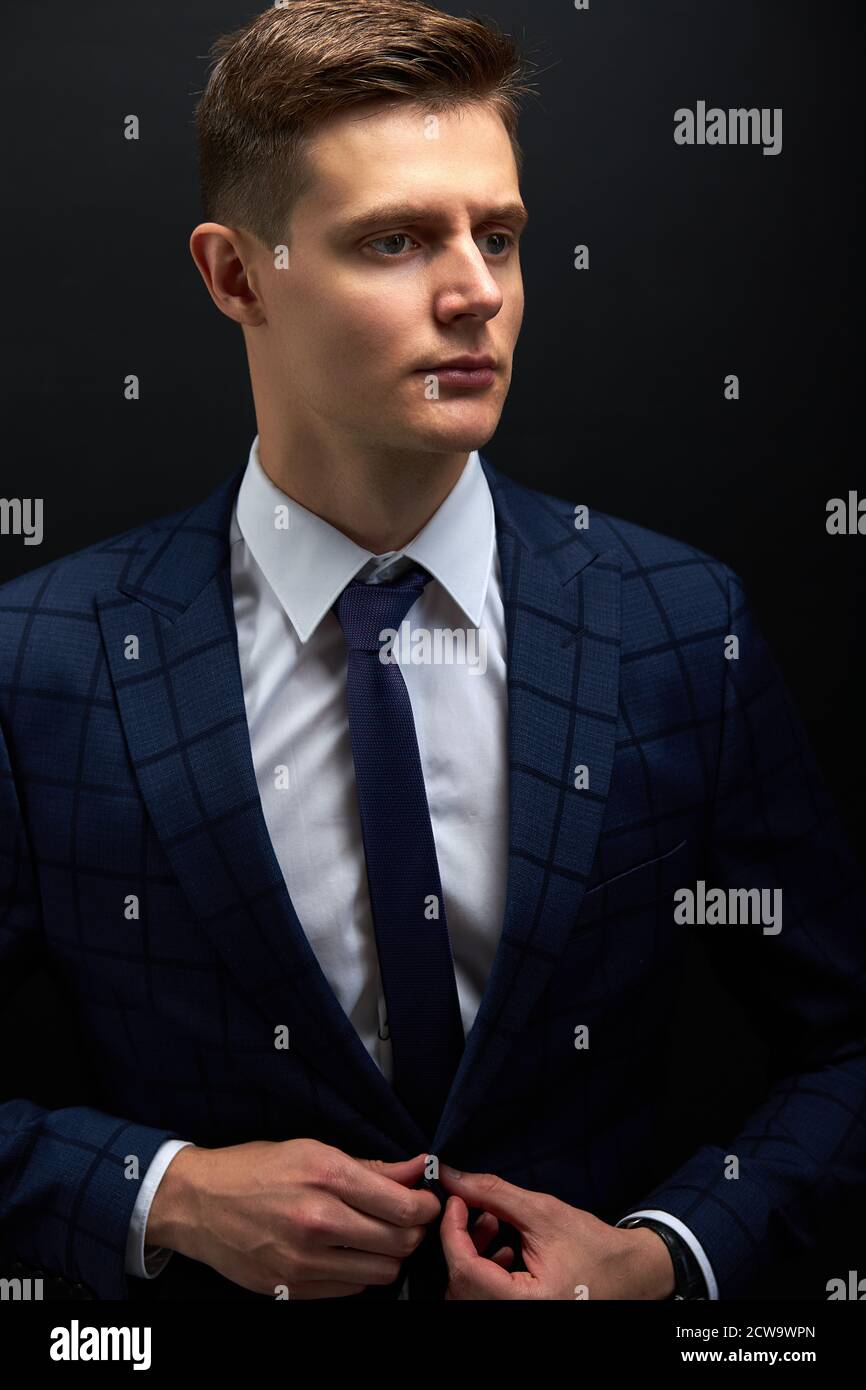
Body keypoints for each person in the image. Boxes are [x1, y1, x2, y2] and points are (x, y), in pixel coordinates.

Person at [1, 0, 864, 1303]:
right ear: (238, 275)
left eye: (499, 236)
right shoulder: (39, 658)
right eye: (394, 240)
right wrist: (160, 1191)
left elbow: (849, 1045)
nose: (476, 291)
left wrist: (663, 1256)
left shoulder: (681, 622)